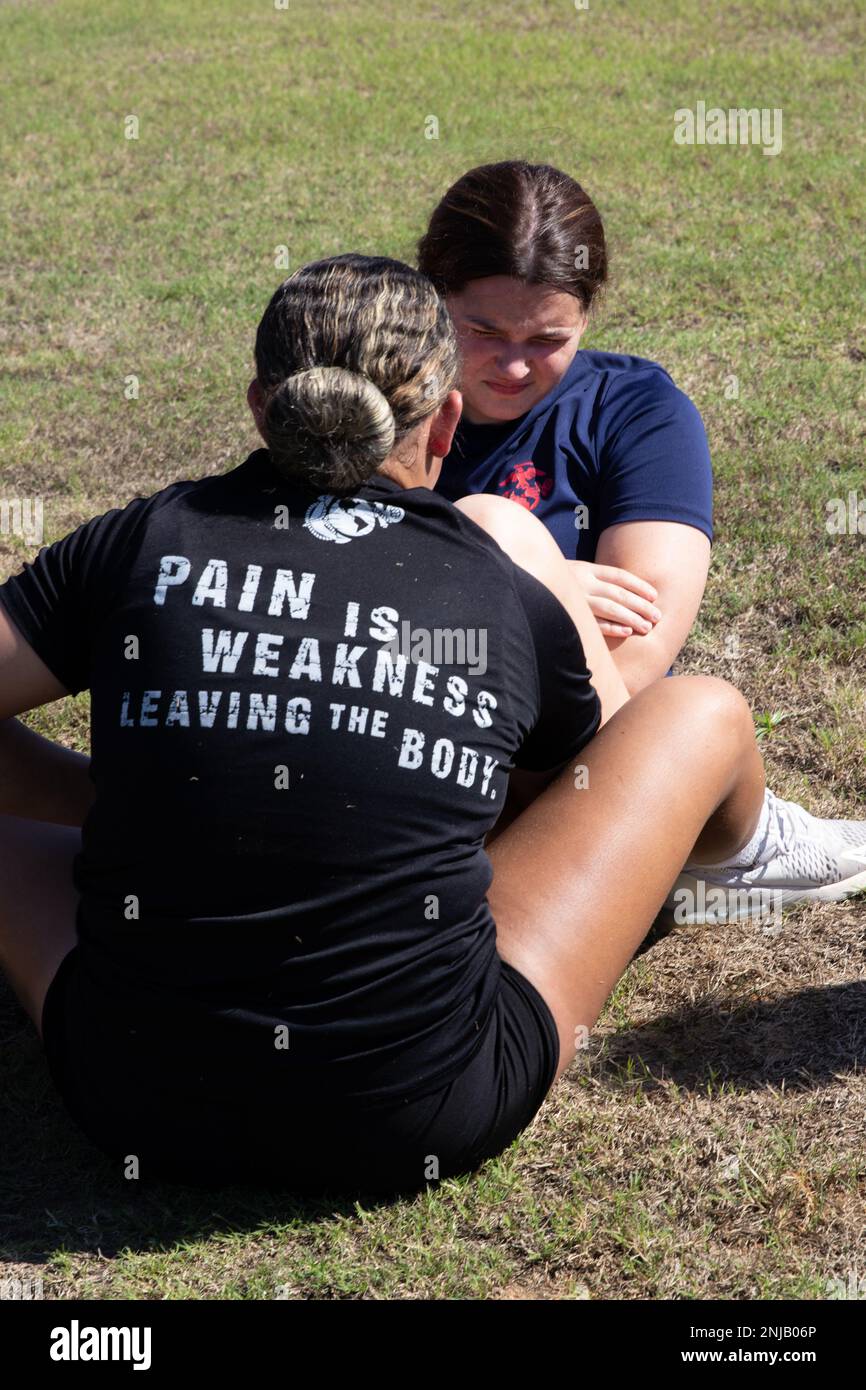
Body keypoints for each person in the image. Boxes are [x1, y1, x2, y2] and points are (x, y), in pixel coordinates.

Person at [0, 254, 862, 1199]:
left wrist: (157, 790)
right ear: (446, 418)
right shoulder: (495, 587)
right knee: (703, 714)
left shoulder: (140, 542)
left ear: (259, 403)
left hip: (129, 1098)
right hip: (423, 1108)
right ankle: (737, 851)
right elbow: (573, 785)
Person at [418, 161, 866, 926]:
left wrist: (514, 583)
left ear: (588, 317)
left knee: (692, 713)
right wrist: (538, 582)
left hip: (566, 748)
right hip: (412, 728)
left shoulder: (636, 410)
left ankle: (709, 845)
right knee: (501, 533)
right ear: (429, 298)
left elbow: (633, 655)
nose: (517, 365)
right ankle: (679, 845)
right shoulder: (382, 400)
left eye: (549, 337)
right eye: (484, 331)